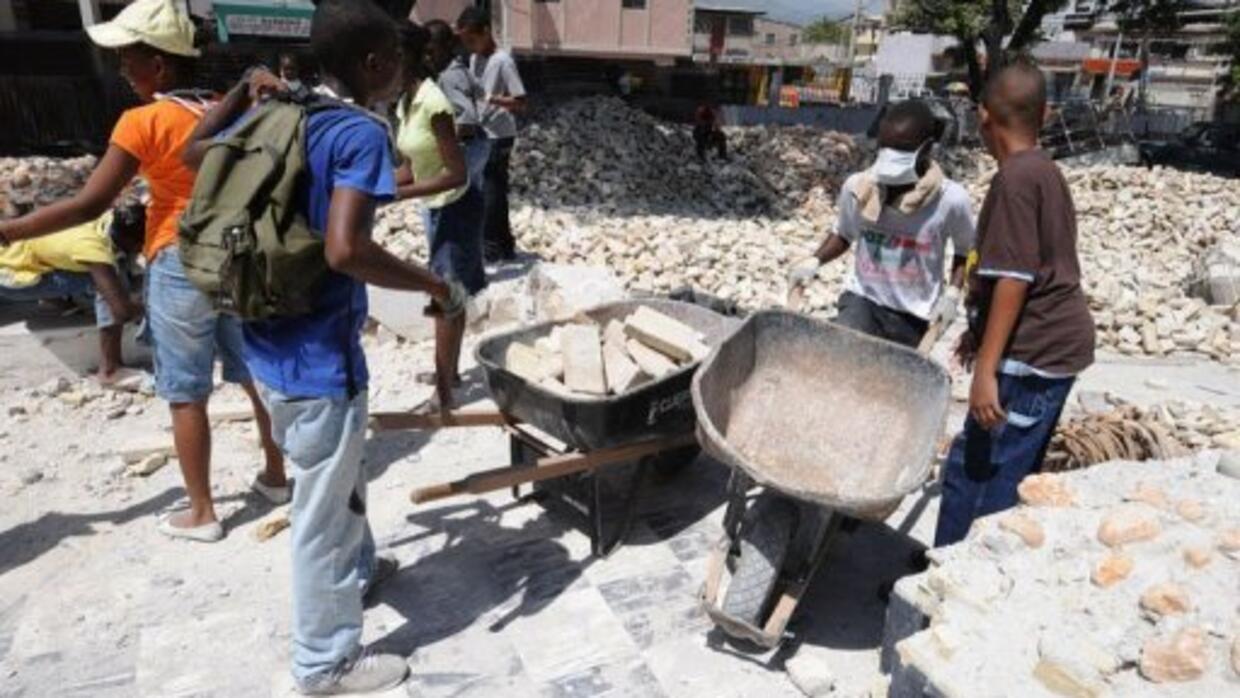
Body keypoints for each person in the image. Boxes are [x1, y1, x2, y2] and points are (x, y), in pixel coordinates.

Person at [184, 0, 466, 692]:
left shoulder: (279, 113)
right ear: (374, 63)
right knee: (319, 513)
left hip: (266, 337)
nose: (404, 72)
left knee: (338, 481)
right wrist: (435, 285)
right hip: (318, 354)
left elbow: (194, 154)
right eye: (397, 61)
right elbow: (345, 250)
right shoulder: (356, 133)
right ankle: (325, 662)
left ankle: (360, 575)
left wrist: (238, 92)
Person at [0, 0, 286, 542]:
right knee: (255, 375)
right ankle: (276, 476)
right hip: (239, 257)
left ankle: (201, 512)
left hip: (180, 262)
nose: (122, 71)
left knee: (185, 391)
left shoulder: (144, 120)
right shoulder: (230, 110)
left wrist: (10, 231)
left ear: (160, 64)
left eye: (129, 59)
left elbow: (89, 204)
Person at [933, 61, 1095, 547]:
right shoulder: (1043, 171)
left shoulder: (1015, 182)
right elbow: (1035, 267)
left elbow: (1015, 280)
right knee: (1008, 470)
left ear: (983, 117)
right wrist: (979, 334)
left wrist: (986, 370)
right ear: (1045, 114)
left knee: (977, 477)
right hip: (1052, 346)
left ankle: (945, 588)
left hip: (1031, 357)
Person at [791, 99, 975, 349]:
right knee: (843, 354)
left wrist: (953, 293)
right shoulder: (860, 188)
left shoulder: (950, 200)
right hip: (862, 300)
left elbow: (965, 251)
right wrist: (814, 260)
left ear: (928, 148)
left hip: (914, 314)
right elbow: (844, 234)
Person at [395, 21, 485, 411]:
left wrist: (399, 192)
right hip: (436, 206)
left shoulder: (434, 103)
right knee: (451, 296)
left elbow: (456, 172)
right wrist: (374, 187)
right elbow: (411, 165)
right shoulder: (404, 102)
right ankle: (450, 374)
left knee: (446, 296)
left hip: (456, 205)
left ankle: (444, 393)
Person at [0, 204, 144, 381]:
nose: (142, 250)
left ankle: (59, 299)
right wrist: (158, 310)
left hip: (20, 254)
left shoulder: (106, 217)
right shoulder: (91, 247)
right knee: (111, 283)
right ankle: (111, 369)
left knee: (115, 272)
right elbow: (122, 311)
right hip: (11, 276)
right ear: (133, 241)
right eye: (141, 245)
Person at [456, 7, 526, 263]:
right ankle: (504, 245)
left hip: (500, 133)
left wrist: (492, 99)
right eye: (465, 43)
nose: (470, 47)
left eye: (472, 40)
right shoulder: (475, 60)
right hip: (481, 132)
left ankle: (492, 247)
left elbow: (520, 102)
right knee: (492, 190)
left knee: (491, 192)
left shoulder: (502, 61)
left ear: (486, 32)